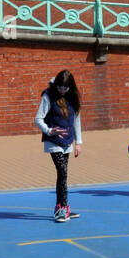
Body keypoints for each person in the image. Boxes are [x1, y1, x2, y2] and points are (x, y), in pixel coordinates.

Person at [34, 69, 83, 222]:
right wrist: (49, 131)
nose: (62, 90)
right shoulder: (48, 96)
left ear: (70, 87)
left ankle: (63, 207)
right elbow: (38, 119)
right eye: (60, 87)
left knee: (63, 175)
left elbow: (76, 121)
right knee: (62, 172)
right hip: (53, 141)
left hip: (67, 141)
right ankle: (61, 210)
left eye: (65, 88)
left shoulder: (73, 98)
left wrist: (78, 142)